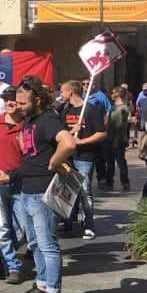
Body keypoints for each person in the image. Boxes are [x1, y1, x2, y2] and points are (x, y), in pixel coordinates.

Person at [0, 75, 75, 293]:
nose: (17, 106)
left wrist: (54, 161)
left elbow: (68, 143)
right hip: (28, 190)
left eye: (22, 103)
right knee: (36, 244)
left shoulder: (49, 119)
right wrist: (11, 176)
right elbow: (31, 159)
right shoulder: (31, 122)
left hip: (43, 193)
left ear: (37, 100)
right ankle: (42, 286)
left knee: (47, 244)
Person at [0, 85, 26, 284]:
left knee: (20, 229)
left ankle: (0, 256)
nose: (9, 102)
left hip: (19, 183)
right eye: (6, 99)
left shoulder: (27, 125)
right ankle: (13, 266)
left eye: (14, 99)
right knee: (1, 227)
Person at [59, 80, 105, 240]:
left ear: (71, 92)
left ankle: (88, 225)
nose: (61, 94)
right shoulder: (65, 111)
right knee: (69, 191)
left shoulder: (90, 110)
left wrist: (82, 141)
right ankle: (69, 221)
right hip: (69, 158)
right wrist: (72, 132)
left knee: (85, 192)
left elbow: (101, 133)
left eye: (62, 91)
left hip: (85, 157)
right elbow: (61, 133)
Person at [102, 86, 131, 191]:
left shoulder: (123, 108)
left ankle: (125, 181)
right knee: (109, 161)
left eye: (113, 92)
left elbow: (121, 125)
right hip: (108, 138)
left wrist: (116, 139)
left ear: (118, 94)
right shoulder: (113, 107)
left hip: (117, 140)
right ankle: (109, 181)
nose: (111, 94)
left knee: (120, 161)